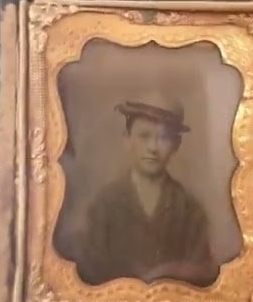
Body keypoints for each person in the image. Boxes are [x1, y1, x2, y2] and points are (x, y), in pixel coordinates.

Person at [71, 90, 220, 287]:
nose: (153, 147)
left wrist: (170, 272)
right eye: (144, 136)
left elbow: (203, 274)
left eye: (164, 138)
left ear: (176, 144)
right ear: (127, 139)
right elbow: (89, 272)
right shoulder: (105, 204)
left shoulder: (189, 209)